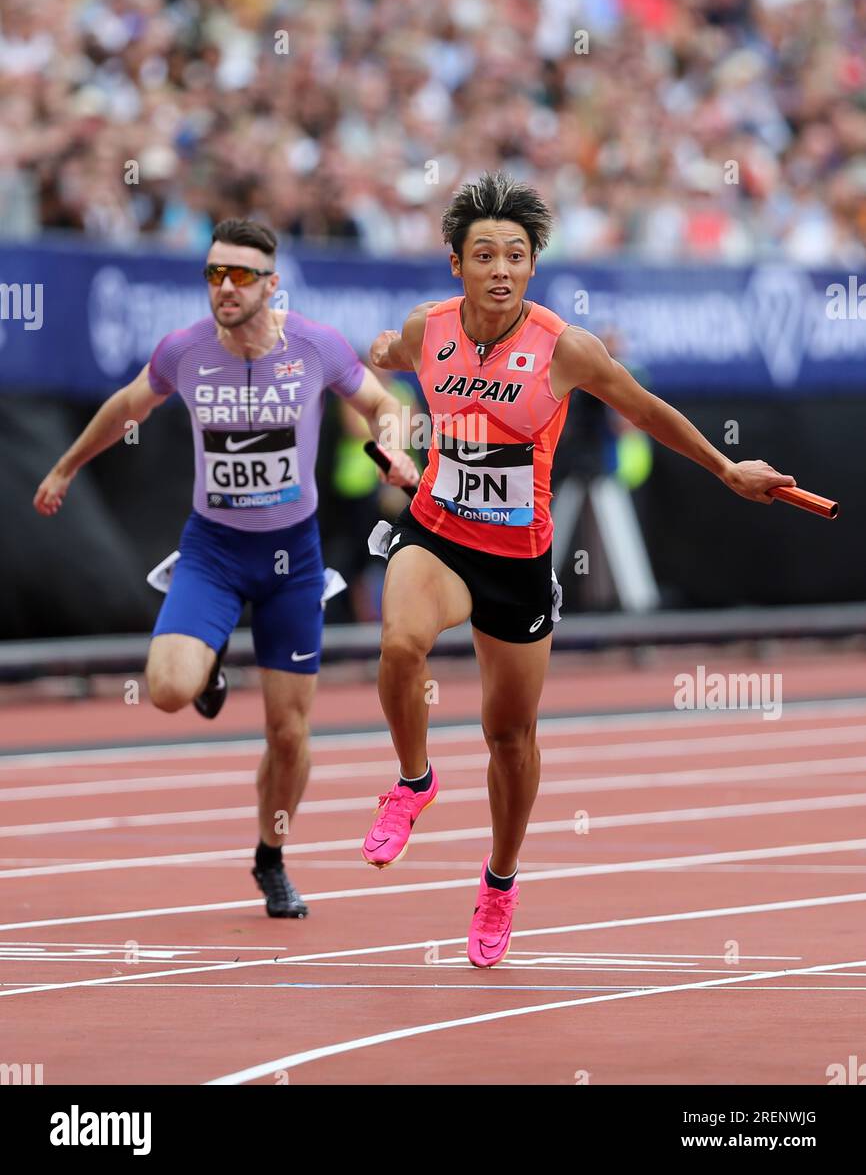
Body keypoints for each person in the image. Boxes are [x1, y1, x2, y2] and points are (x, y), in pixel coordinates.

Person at [363, 170, 795, 968]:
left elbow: (646, 410)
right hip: (437, 531)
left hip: (517, 559)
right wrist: (390, 424)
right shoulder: (427, 328)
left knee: (510, 736)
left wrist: (726, 466)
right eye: (483, 253)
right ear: (455, 263)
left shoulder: (566, 348)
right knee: (399, 645)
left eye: (516, 256)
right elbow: (378, 359)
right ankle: (414, 780)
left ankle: (499, 880)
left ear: (533, 267)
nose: (500, 268)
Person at [33, 218, 418, 919]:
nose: (224, 288)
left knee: (288, 734)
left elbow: (382, 403)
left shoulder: (314, 346)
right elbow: (125, 407)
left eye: (240, 275)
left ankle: (271, 858)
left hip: (292, 562)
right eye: (214, 274)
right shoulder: (183, 352)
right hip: (213, 550)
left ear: (272, 285)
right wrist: (64, 466)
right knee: (169, 691)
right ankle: (207, 661)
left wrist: (396, 450)